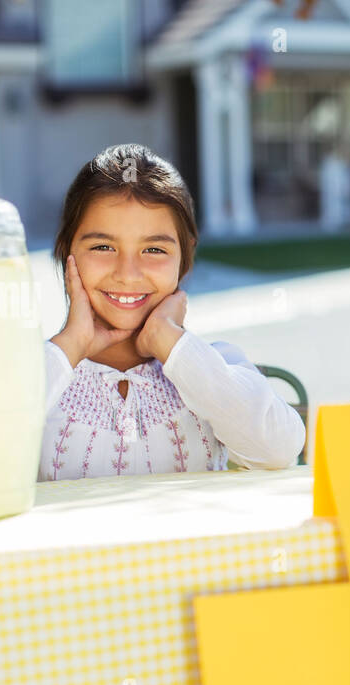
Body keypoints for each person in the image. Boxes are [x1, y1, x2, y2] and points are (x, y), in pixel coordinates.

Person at [41, 144, 304, 480]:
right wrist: (71, 345)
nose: (128, 273)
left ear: (184, 257)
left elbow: (281, 448)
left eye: (154, 249)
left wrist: (171, 342)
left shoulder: (215, 364)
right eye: (103, 247)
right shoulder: (40, 375)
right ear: (67, 253)